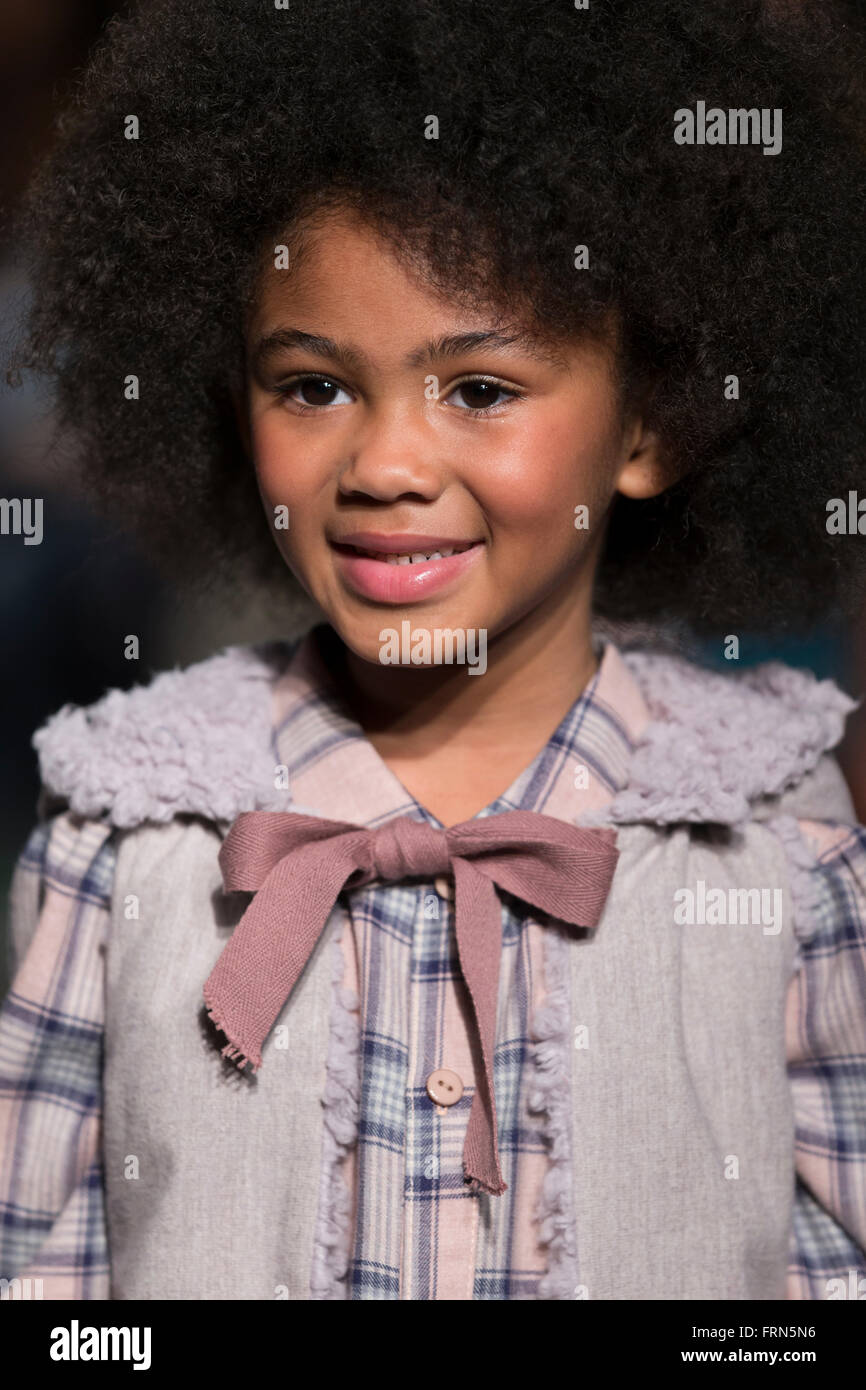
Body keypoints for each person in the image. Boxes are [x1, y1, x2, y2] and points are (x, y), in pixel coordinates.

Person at [1, 0, 864, 1301]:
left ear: (651, 425)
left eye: (478, 388)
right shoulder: (121, 833)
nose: (385, 464)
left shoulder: (772, 835)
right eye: (312, 385)